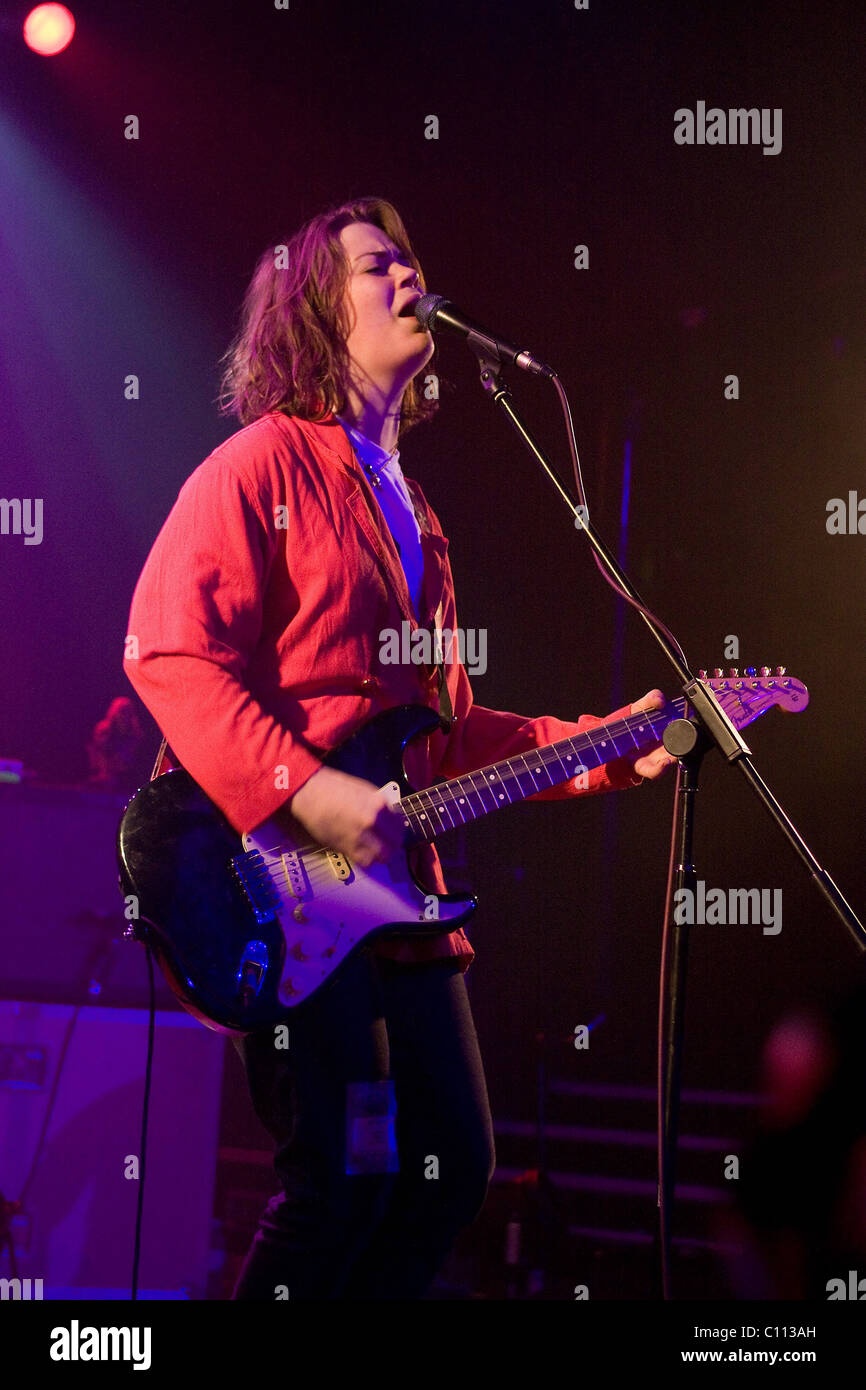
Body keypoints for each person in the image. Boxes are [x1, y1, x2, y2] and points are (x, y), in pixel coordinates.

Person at [122, 195, 675, 1300]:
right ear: (316, 313)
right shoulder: (257, 466)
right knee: (337, 1178)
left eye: (409, 260)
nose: (408, 278)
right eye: (377, 266)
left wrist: (610, 746)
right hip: (274, 882)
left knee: (445, 1173)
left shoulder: (414, 511)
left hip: (395, 907)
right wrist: (305, 790)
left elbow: (442, 736)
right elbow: (166, 653)